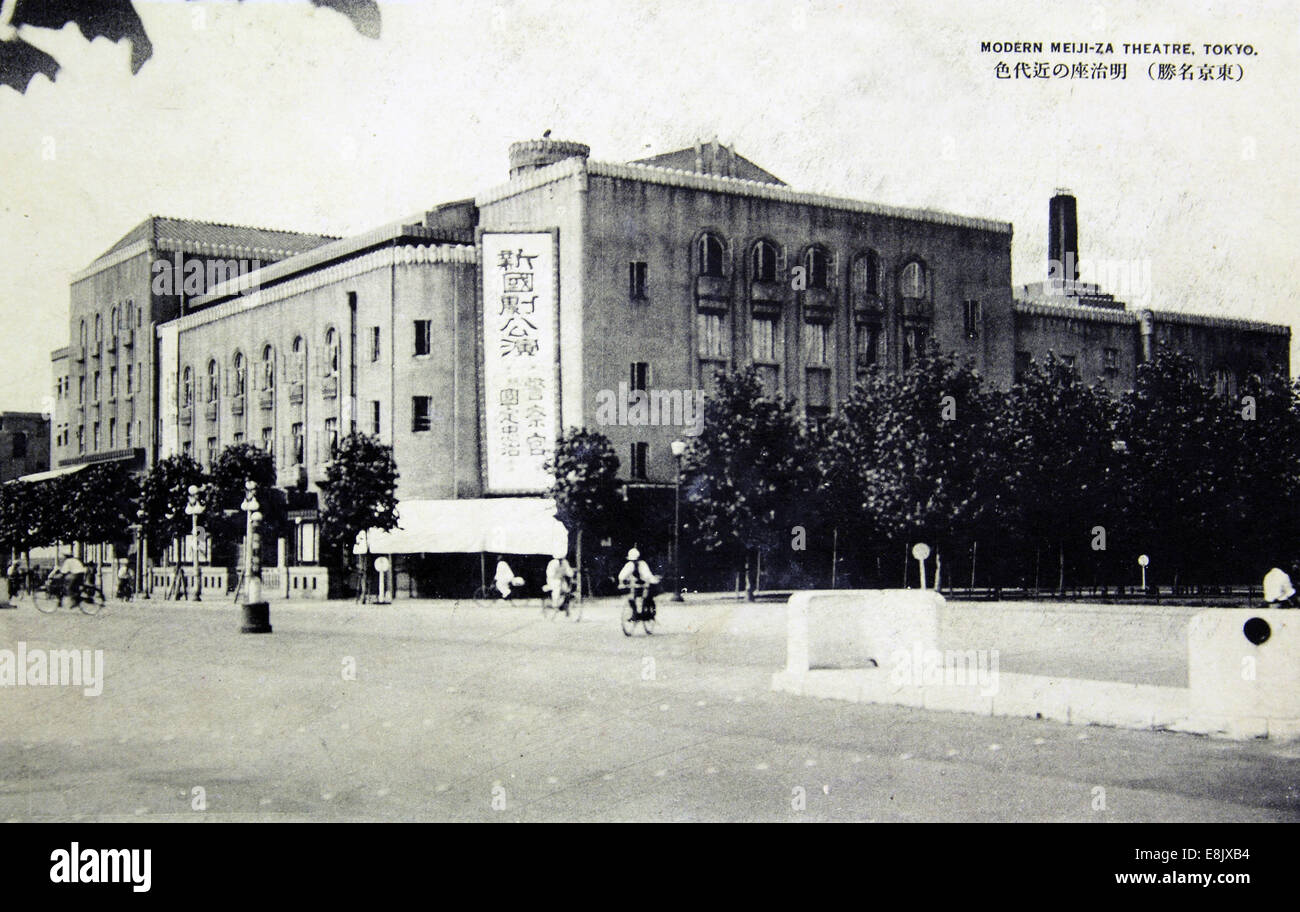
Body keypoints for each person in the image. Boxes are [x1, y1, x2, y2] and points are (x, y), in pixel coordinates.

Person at [617, 548, 660, 614]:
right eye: (632, 560)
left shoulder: (642, 564)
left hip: (647, 582)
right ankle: (635, 613)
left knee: (646, 597)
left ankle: (647, 611)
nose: (634, 562)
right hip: (636, 584)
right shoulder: (629, 565)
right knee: (631, 598)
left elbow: (647, 575)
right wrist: (621, 583)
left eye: (635, 560)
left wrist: (647, 583)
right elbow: (622, 574)